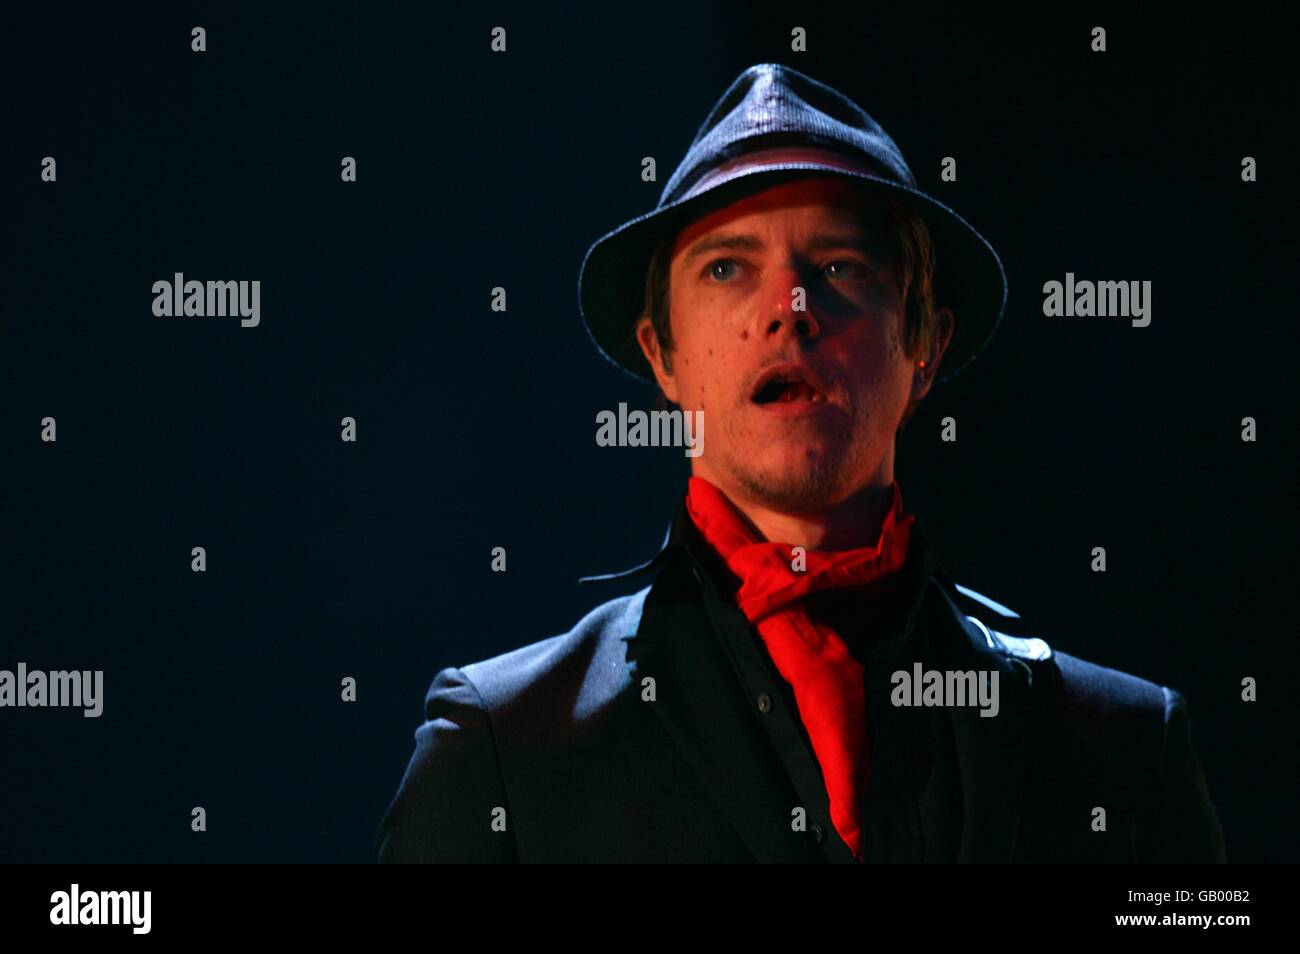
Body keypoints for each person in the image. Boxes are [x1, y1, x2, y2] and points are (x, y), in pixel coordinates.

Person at [375, 63, 1226, 863]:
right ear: (662, 355)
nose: (788, 310)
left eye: (837, 267)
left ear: (925, 343)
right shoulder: (506, 747)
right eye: (726, 268)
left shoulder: (1122, 748)